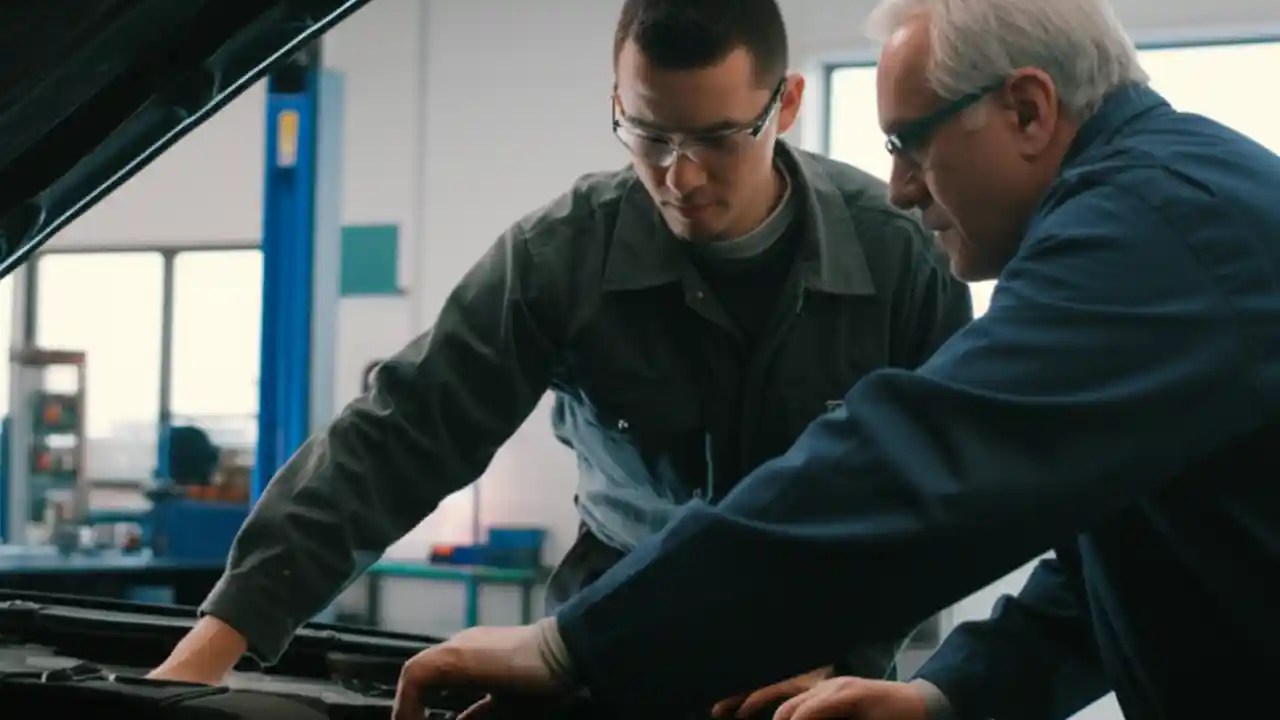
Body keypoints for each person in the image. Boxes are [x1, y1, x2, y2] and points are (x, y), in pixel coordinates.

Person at [389, 0, 1280, 718]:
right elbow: (1131, 557)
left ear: (1028, 109)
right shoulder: (1164, 209)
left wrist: (569, 645)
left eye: (911, 143)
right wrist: (949, 692)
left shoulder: (1158, 233)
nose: (897, 187)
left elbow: (914, 466)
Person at [146, 0, 973, 712]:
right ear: (617, 98)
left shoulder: (902, 261)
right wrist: (214, 646)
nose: (679, 176)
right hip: (606, 650)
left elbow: (936, 501)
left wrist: (851, 664)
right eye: (647, 134)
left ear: (786, 104)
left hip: (812, 668)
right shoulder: (560, 255)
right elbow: (400, 434)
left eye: (718, 138)